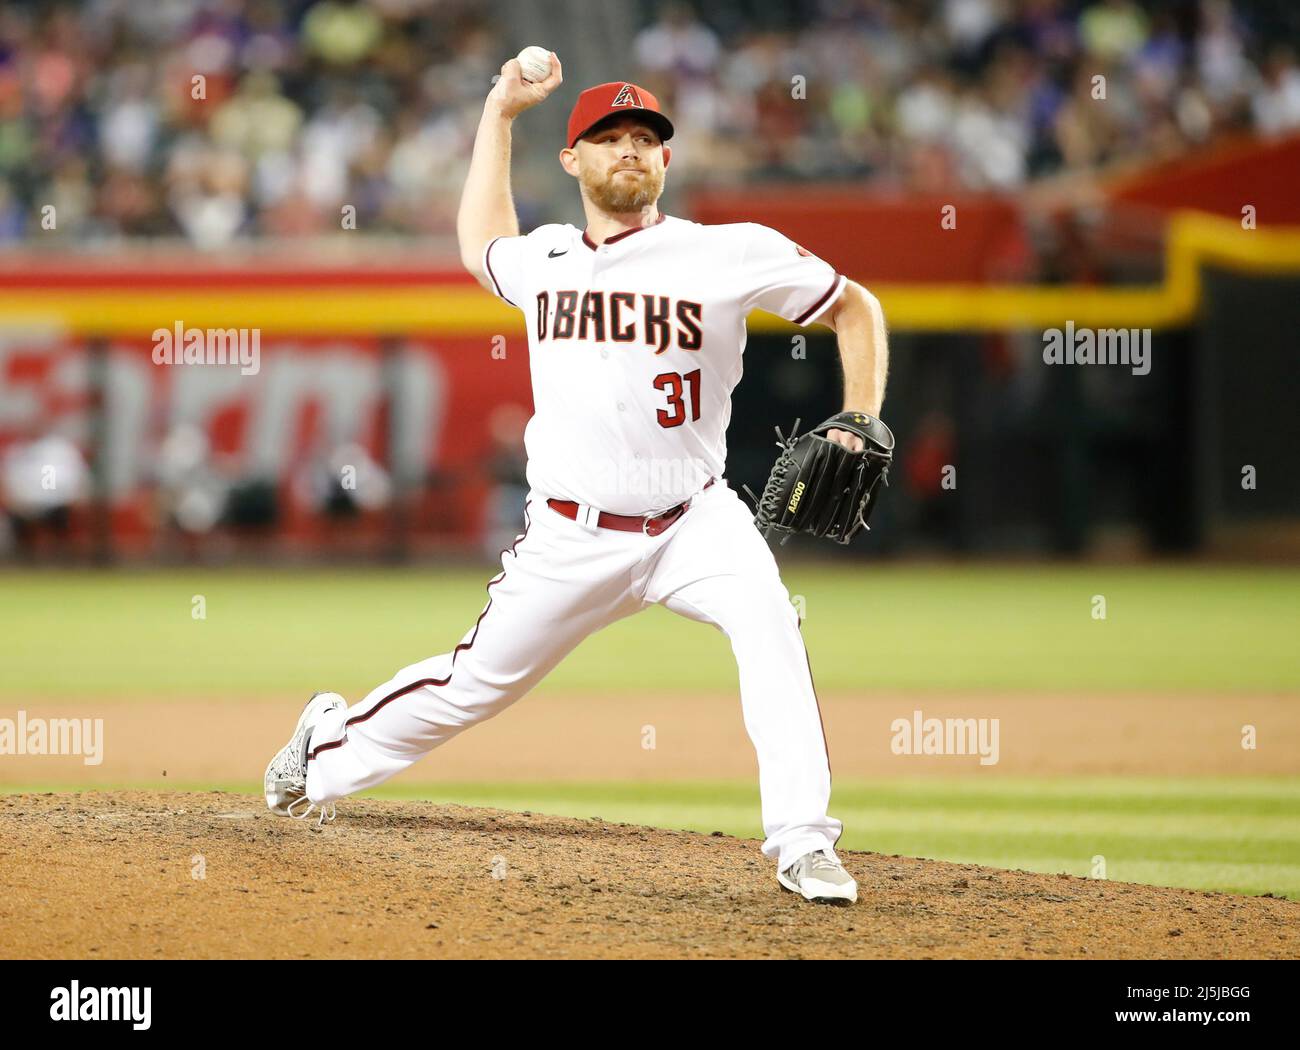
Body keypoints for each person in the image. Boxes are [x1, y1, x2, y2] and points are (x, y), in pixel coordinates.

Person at [265, 54, 890, 905]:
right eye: (607, 138)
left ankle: (803, 842)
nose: (629, 150)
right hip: (571, 531)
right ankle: (323, 749)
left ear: (667, 161)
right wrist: (498, 113)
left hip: (695, 521)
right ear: (574, 161)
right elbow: (480, 243)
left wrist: (859, 415)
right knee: (470, 686)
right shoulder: (548, 259)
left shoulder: (727, 253)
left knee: (769, 625)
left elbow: (857, 305)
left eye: (646, 138)